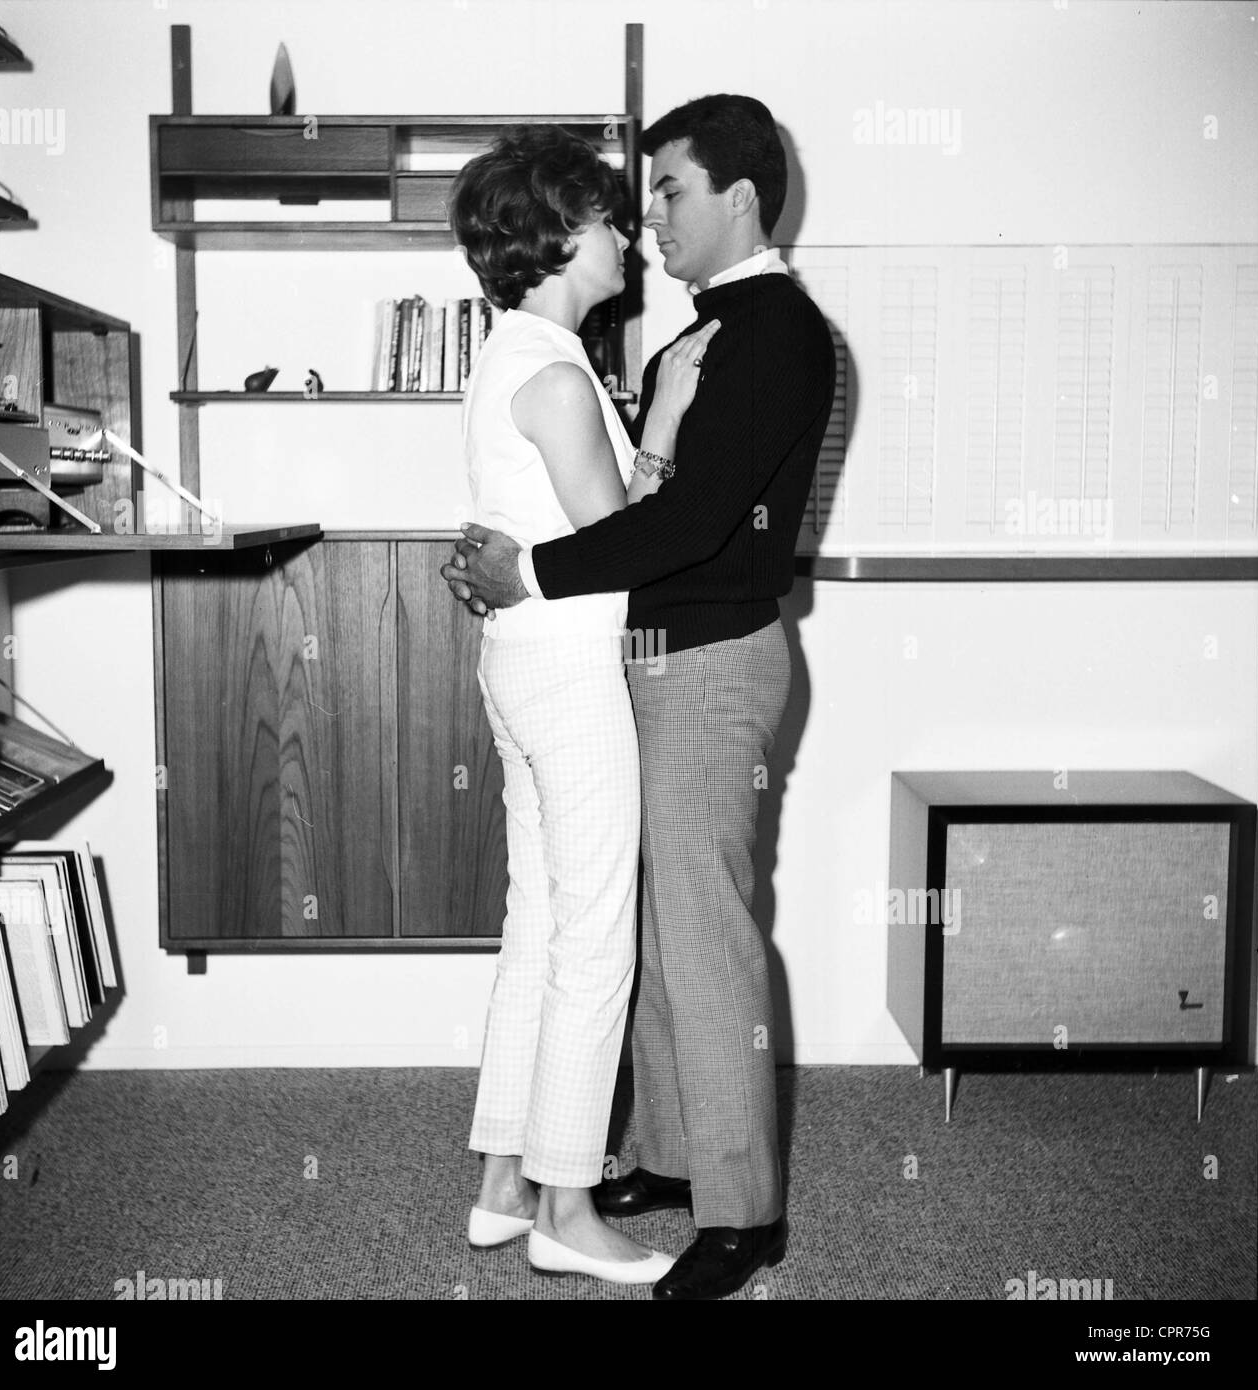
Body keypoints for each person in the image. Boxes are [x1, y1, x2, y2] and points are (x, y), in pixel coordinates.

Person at [444, 94, 837, 1301]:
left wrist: (529, 572)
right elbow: (629, 497)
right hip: (629, 661)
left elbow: (693, 524)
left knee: (698, 935)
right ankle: (670, 1155)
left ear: (741, 199)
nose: (650, 216)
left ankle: (741, 1210)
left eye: (667, 191)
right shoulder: (676, 343)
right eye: (634, 201)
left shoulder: (775, 331)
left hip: (710, 663)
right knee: (644, 932)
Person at [449, 124, 721, 1287]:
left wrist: (642, 424)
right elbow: (620, 543)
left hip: (519, 660)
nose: (630, 239)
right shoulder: (557, 376)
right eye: (612, 221)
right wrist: (663, 422)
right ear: (563, 236)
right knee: (592, 935)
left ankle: (504, 1183)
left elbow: (576, 522)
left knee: (536, 927)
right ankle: (566, 1204)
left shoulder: (512, 355)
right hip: (565, 670)